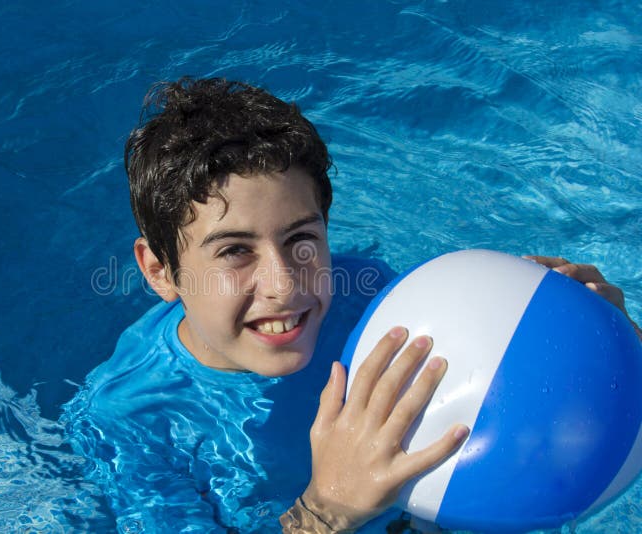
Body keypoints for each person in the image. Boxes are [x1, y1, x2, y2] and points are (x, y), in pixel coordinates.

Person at [62, 77, 642, 533]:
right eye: (235, 251)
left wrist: (610, 348)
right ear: (160, 271)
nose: (284, 285)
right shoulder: (129, 423)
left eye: (302, 241)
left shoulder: (373, 296)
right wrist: (327, 510)